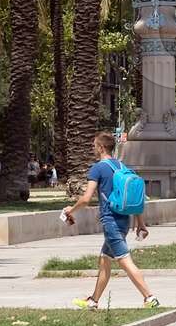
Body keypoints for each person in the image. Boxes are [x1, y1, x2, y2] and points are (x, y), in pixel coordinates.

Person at [65, 133, 159, 310]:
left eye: (94, 146)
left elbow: (86, 199)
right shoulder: (121, 166)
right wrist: (140, 223)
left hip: (111, 222)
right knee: (104, 260)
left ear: (100, 148)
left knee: (124, 260)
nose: (93, 149)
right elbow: (134, 198)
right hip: (125, 221)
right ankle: (93, 301)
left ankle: (149, 297)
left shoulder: (98, 168)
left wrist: (71, 210)